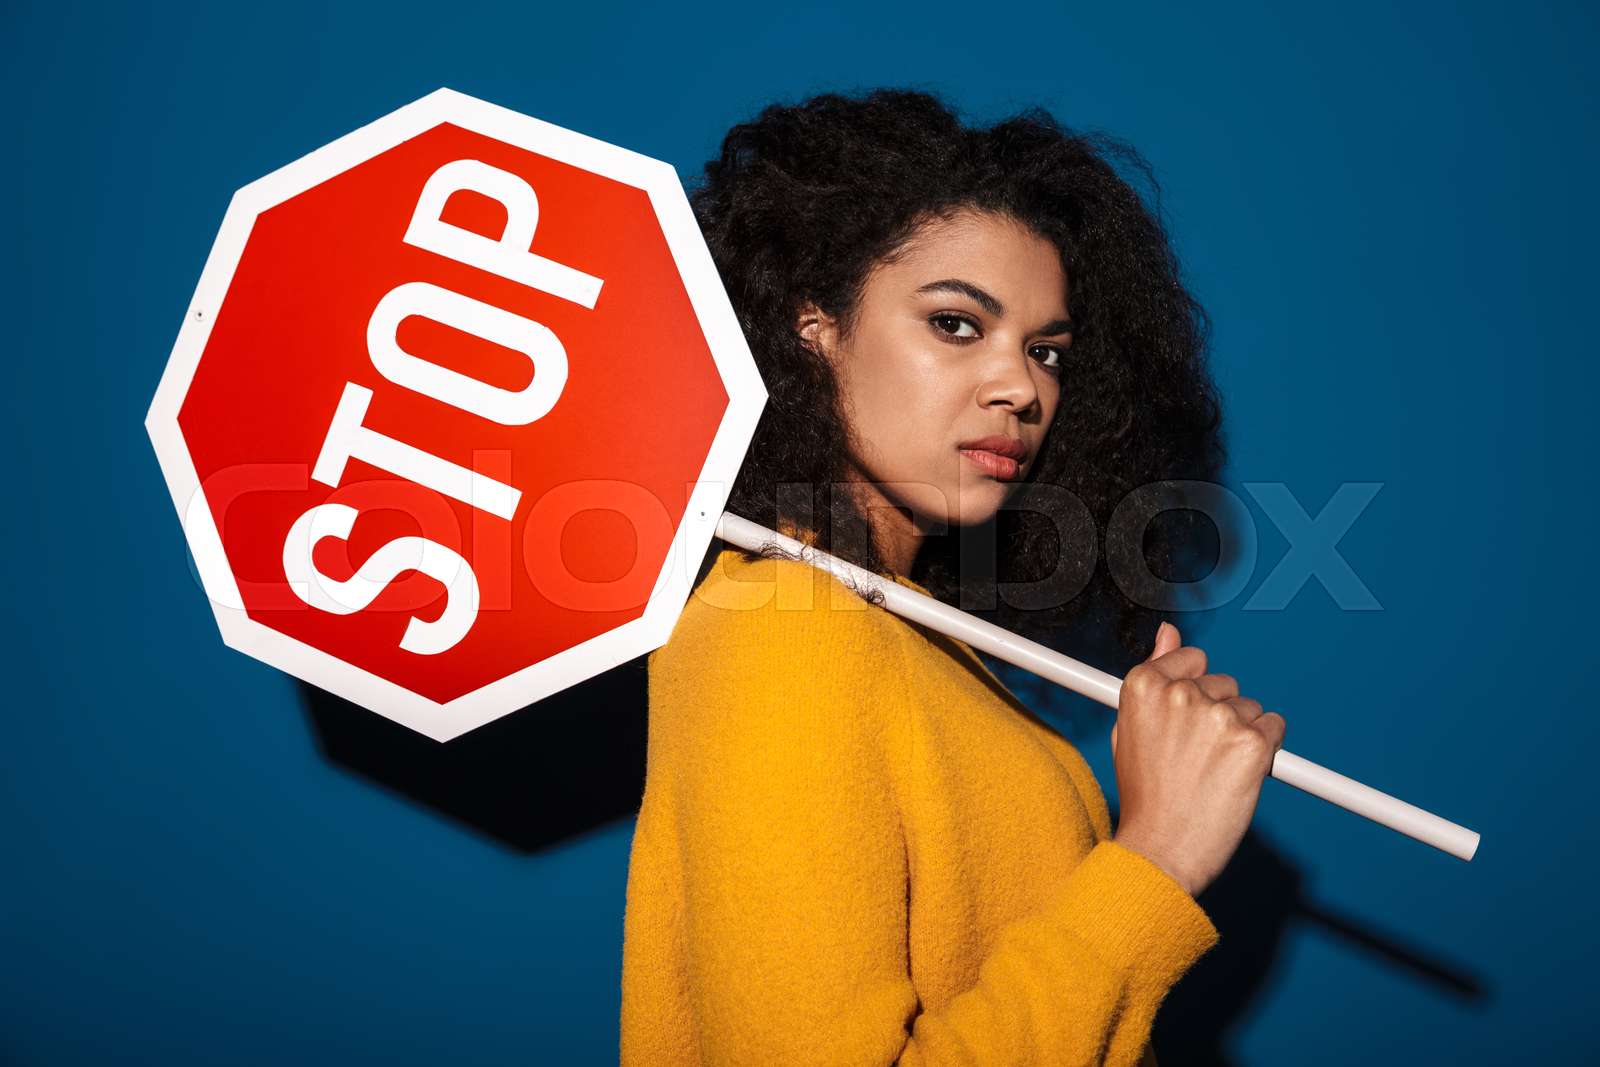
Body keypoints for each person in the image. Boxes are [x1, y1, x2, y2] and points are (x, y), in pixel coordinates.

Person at [620, 87, 1287, 1066]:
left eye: (1045, 350)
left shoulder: (901, 629)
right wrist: (1156, 859)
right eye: (957, 324)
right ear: (813, 328)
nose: (1022, 387)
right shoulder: (779, 626)